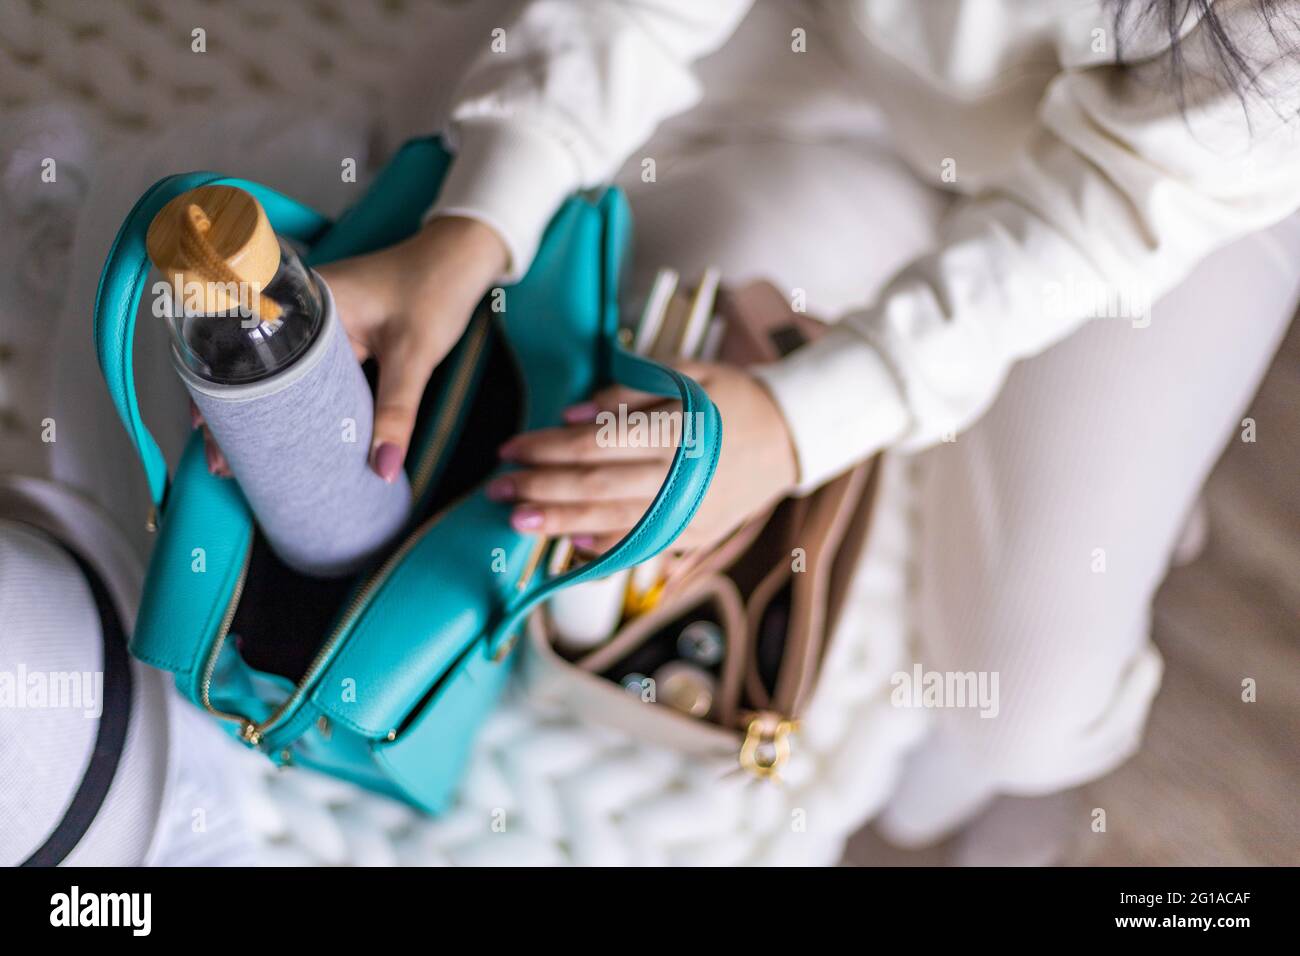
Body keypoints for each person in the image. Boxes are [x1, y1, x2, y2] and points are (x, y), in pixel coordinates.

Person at [194, 0, 1300, 843]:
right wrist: (475, 228)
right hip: (839, 64)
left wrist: (788, 425)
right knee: (447, 131)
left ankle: (1129, 499)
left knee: (1021, 706)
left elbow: (1101, 218)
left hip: (1172, 195)